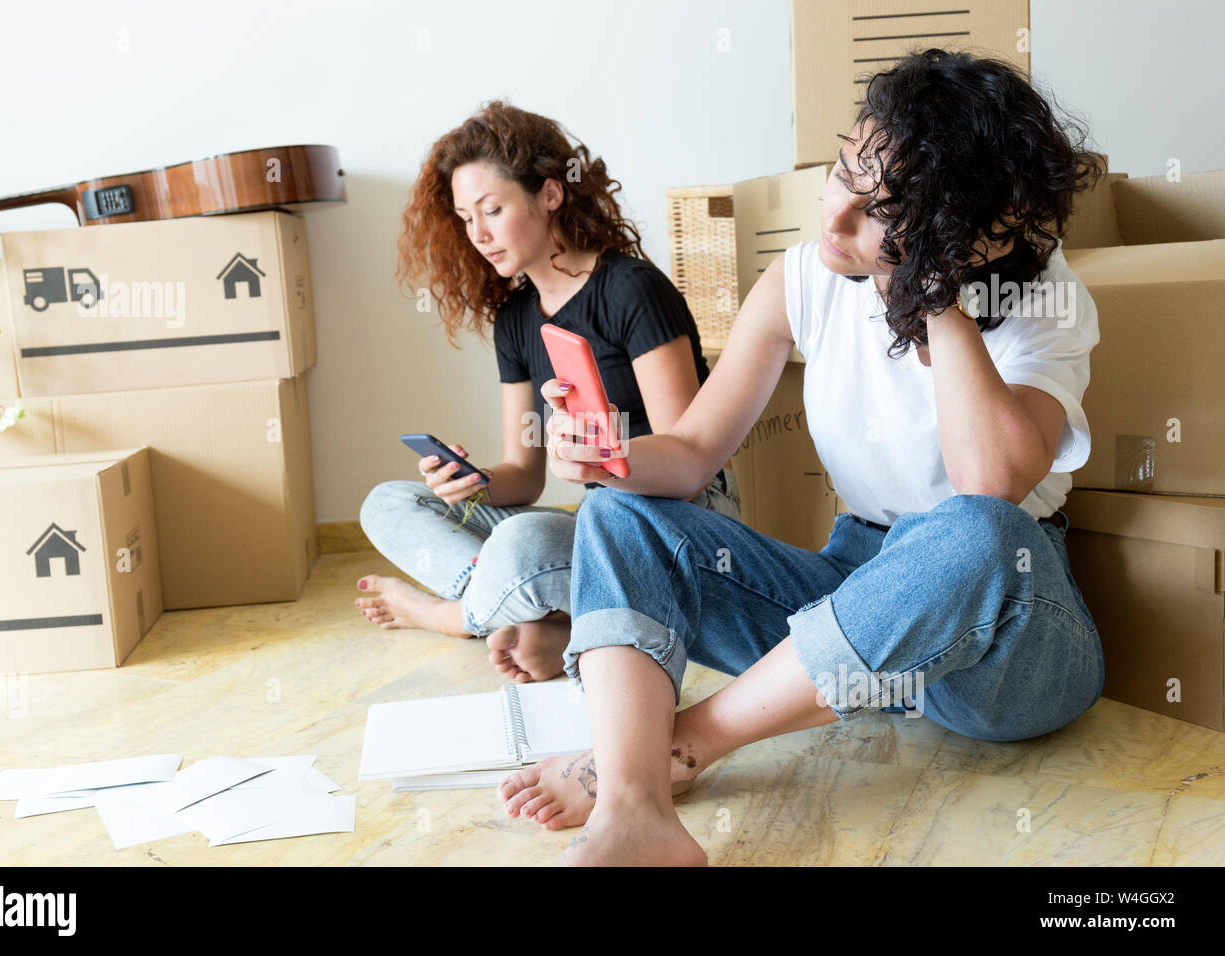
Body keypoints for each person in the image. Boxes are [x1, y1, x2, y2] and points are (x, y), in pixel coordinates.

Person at [496, 48, 1108, 865]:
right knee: (618, 515)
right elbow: (692, 452)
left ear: (965, 234)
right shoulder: (801, 278)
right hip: (855, 602)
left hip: (1003, 636)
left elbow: (989, 483)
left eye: (882, 209)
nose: (836, 219)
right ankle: (634, 808)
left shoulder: (1044, 299)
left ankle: (674, 749)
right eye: (844, 172)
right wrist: (610, 459)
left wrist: (932, 293)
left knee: (977, 530)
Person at [356, 101, 740, 683]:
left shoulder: (631, 289)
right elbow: (525, 475)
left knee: (524, 541)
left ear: (551, 195)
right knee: (389, 503)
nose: (478, 234)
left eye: (492, 209)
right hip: (600, 522)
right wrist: (473, 482)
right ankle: (551, 613)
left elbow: (690, 466)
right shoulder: (515, 320)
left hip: (677, 523)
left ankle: (453, 616)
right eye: (465, 218)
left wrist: (598, 451)